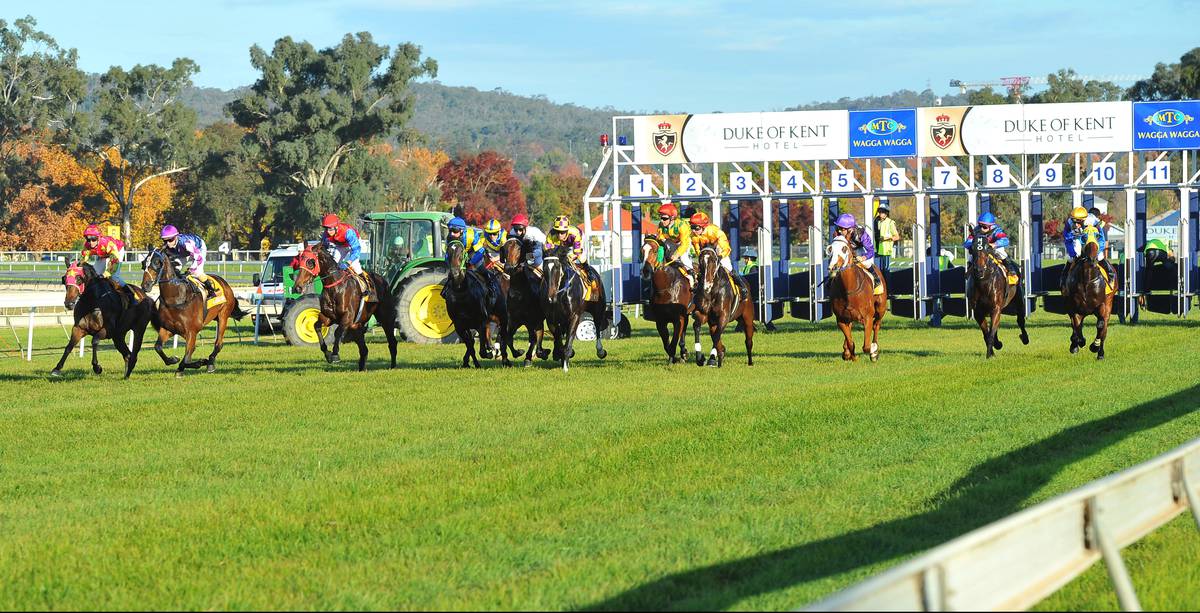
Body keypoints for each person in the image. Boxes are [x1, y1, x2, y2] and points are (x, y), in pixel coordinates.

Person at [320, 213, 373, 298]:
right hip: (340, 246)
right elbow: (323, 246)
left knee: (355, 265)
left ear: (336, 227)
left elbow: (356, 249)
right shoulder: (326, 234)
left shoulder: (348, 232)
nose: (328, 232)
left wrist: (349, 262)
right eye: (326, 229)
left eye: (330, 229)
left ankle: (366, 286)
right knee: (333, 264)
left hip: (353, 245)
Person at [1062, 206, 1116, 288]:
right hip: (1078, 238)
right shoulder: (1069, 223)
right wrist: (1072, 252)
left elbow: (1101, 237)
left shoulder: (1093, 220)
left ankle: (1111, 275)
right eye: (1074, 221)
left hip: (1092, 238)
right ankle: (1063, 281)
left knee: (1100, 256)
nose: (1076, 225)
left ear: (1085, 219)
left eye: (1079, 222)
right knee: (1070, 258)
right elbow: (1067, 239)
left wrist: (1098, 250)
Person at [161, 225, 218, 298]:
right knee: (174, 269)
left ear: (176, 237)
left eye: (170, 240)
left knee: (197, 272)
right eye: (165, 240)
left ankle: (211, 290)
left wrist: (192, 269)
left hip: (198, 249)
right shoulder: (168, 245)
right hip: (184, 252)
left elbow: (199, 258)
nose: (168, 243)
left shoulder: (186, 244)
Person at [832, 213, 883, 289]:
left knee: (866, 263)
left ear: (850, 229)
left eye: (842, 228)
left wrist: (863, 257)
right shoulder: (837, 232)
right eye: (838, 227)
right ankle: (831, 280)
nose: (839, 230)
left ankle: (876, 278)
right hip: (844, 250)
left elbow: (871, 250)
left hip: (858, 250)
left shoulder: (861, 234)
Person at [963, 212, 1020, 278]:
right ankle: (969, 273)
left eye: (984, 227)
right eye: (980, 225)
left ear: (991, 226)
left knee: (1001, 252)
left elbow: (1005, 240)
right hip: (980, 248)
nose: (981, 228)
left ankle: (1011, 270)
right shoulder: (976, 230)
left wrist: (995, 244)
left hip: (993, 248)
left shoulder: (996, 230)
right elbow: (967, 242)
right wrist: (973, 244)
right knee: (971, 257)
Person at [654, 203, 693, 282]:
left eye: (664, 218)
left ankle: (692, 276)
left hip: (684, 243)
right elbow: (660, 239)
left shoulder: (682, 226)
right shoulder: (661, 225)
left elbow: (684, 243)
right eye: (661, 218)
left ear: (672, 218)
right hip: (671, 242)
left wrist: (677, 254)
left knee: (683, 258)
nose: (662, 221)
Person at [79, 224, 126, 288]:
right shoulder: (87, 245)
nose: (91, 242)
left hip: (117, 252)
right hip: (103, 254)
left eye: (93, 239)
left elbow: (114, 260)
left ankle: (130, 292)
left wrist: (106, 274)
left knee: (113, 277)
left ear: (98, 237)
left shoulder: (107, 243)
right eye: (88, 239)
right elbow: (83, 258)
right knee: (95, 275)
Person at [874, 202, 901, 276]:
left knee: (886, 272)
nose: (880, 213)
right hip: (878, 250)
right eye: (879, 211)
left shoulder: (890, 223)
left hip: (886, 251)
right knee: (878, 271)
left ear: (886, 213)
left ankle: (888, 287)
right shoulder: (877, 221)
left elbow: (897, 237)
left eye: (882, 212)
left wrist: (886, 238)